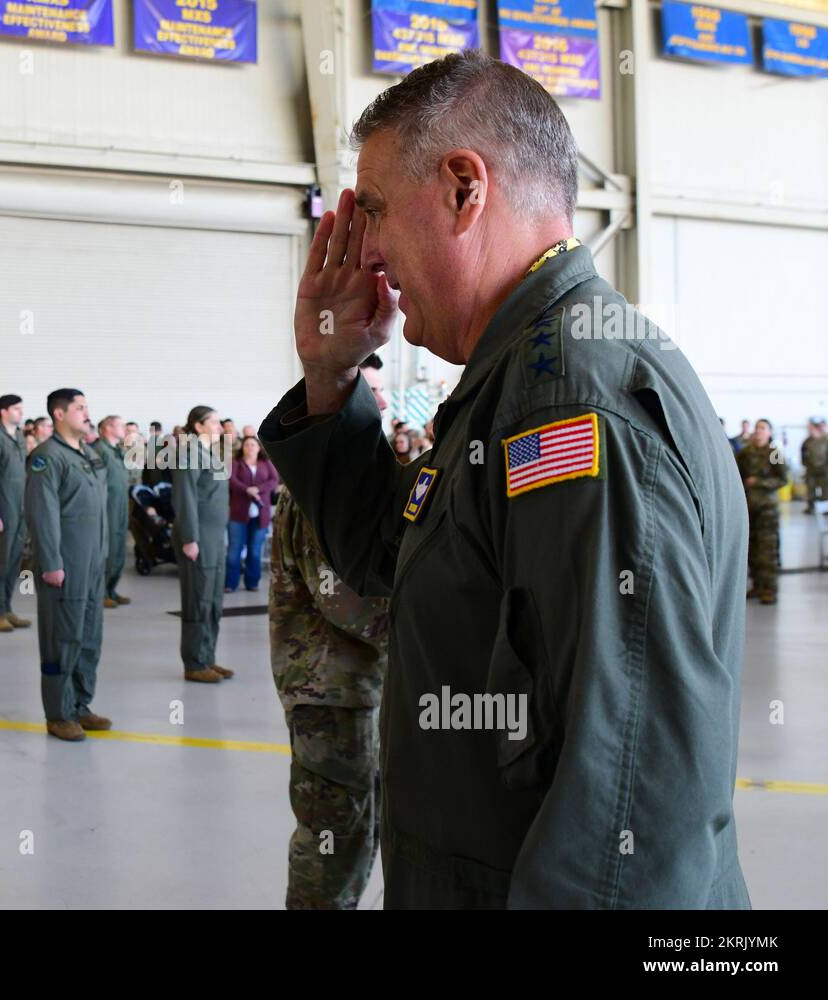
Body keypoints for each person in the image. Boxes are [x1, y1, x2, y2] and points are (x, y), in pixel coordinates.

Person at [259, 52, 749, 908]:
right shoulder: (517, 379)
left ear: (463, 188)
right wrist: (332, 377)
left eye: (373, 210)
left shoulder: (570, 406)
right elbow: (395, 558)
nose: (368, 252)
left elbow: (630, 787)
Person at [270, 355, 390, 910]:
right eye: (372, 393)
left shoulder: (338, 482)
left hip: (352, 690)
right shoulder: (318, 493)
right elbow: (345, 601)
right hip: (330, 693)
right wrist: (433, 633)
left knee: (357, 830)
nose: (383, 405)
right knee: (332, 841)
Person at [26, 389, 111, 741]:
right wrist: (50, 562)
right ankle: (58, 713)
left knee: (89, 635)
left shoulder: (88, 455)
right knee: (62, 637)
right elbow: (42, 514)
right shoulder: (46, 457)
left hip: (93, 563)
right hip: (64, 565)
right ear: (59, 415)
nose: (86, 413)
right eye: (79, 408)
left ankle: (79, 704)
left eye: (87, 407)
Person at [172, 406, 231, 683]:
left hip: (215, 536)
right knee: (198, 600)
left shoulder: (209, 453)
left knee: (213, 602)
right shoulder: (188, 454)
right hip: (199, 538)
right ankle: (194, 663)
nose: (219, 427)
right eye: (214, 422)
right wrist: (189, 538)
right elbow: (185, 498)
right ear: (198, 426)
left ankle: (207, 657)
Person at [0, 393, 30, 632]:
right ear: (4, 411)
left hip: (20, 509)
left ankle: (8, 608)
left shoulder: (18, 436)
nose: (21, 412)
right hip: (2, 509)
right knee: (0, 560)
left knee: (14, 561)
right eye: (16, 409)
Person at [737, 419, 787, 604]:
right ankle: (757, 586)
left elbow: (783, 479)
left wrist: (759, 482)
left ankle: (769, 589)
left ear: (769, 432)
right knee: (751, 548)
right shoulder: (745, 453)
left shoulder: (775, 453)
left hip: (768, 510)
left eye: (763, 428)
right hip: (749, 509)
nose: (758, 431)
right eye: (757, 428)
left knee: (767, 550)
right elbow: (737, 476)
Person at [225, 435, 279, 593]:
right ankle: (230, 583)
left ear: (258, 447)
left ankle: (252, 582)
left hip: (260, 514)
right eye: (246, 445)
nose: (249, 447)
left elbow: (274, 481)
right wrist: (246, 490)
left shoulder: (266, 463)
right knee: (234, 550)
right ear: (243, 448)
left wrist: (258, 490)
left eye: (253, 445)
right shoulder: (235, 463)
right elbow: (231, 480)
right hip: (238, 514)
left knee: (255, 550)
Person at [92, 414, 132, 608]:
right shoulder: (100, 450)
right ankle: (101, 592)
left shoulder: (116, 450)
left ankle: (111, 588)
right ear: (107, 428)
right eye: (120, 425)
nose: (124, 429)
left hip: (120, 504)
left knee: (118, 549)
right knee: (107, 550)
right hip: (108, 506)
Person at [801, 418, 827, 513]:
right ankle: (810, 506)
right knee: (810, 488)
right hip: (810, 468)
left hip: (824, 469)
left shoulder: (825, 439)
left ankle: (826, 507)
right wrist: (804, 464)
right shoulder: (807, 440)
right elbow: (803, 452)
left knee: (825, 489)